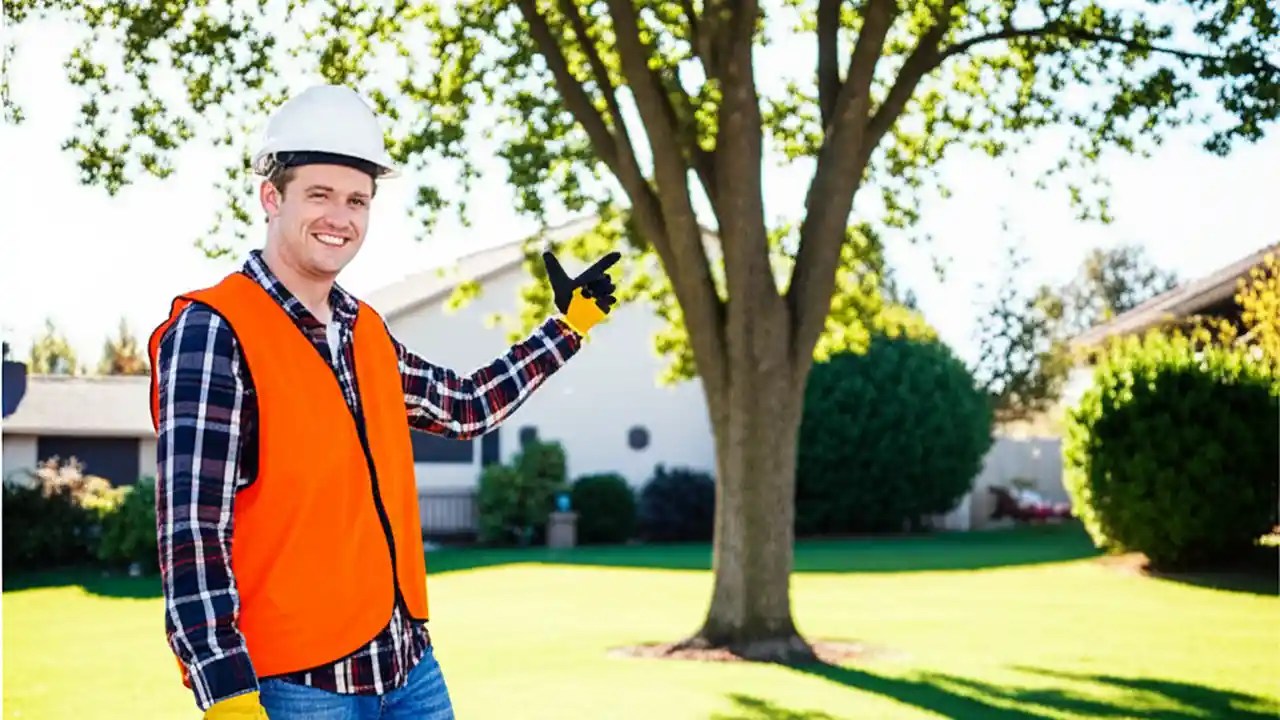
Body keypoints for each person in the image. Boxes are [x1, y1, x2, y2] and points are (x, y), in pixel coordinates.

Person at [146, 84, 621, 720]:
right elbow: (192, 530)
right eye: (319, 194)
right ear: (270, 196)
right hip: (297, 684)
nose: (340, 217)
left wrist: (566, 328)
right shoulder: (213, 330)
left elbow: (468, 405)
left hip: (407, 668)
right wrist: (224, 691)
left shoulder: (365, 331)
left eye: (357, 201)